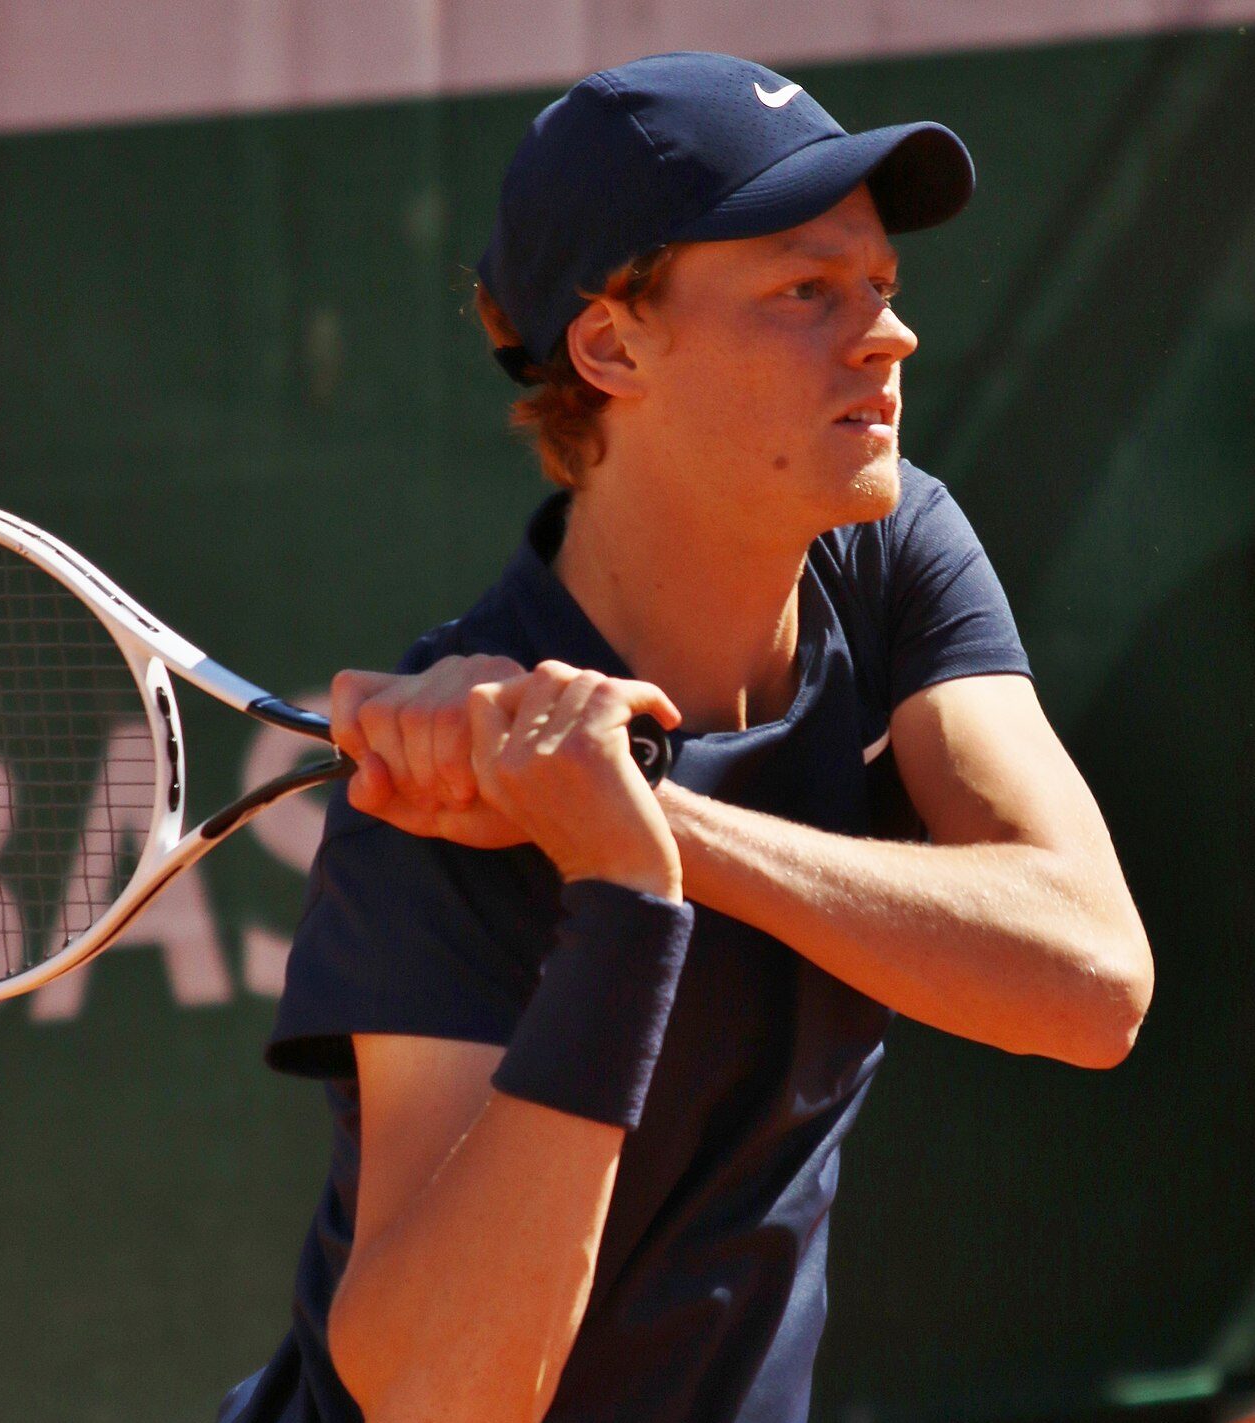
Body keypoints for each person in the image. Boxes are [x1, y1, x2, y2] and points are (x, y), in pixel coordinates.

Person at [217, 51, 1153, 1423]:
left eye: (879, 287)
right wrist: (617, 904)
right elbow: (439, 1396)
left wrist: (649, 826)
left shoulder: (884, 550)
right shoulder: (428, 805)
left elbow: (1088, 981)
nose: (885, 336)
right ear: (610, 346)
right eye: (803, 292)